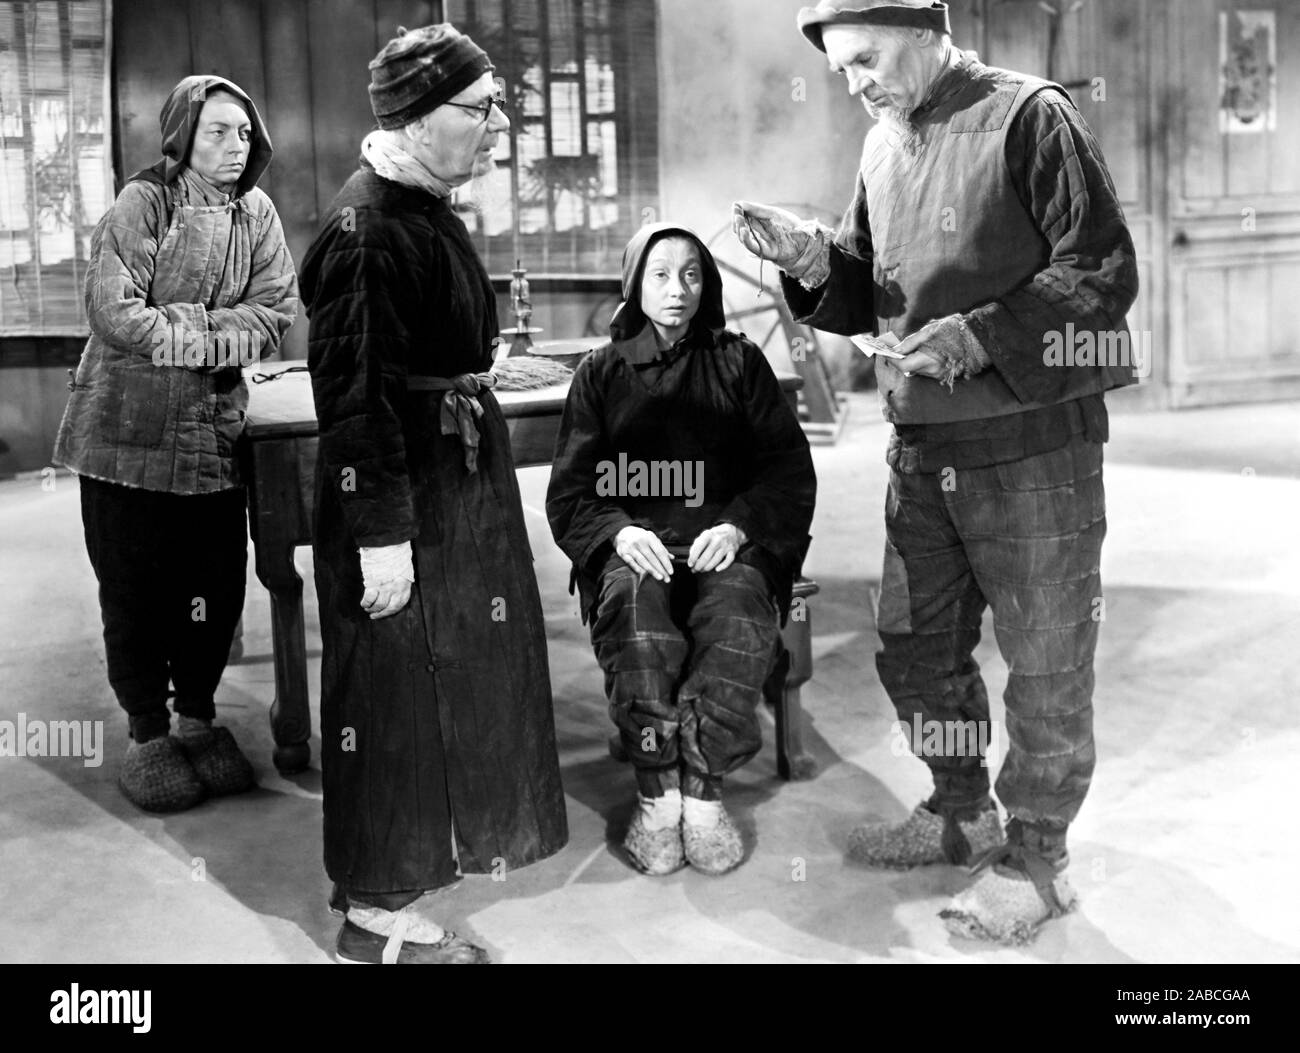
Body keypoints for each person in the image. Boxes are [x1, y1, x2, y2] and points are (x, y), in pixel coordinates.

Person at [735, 0, 1139, 944]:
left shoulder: (1031, 115)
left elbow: (1101, 269)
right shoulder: (884, 145)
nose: (856, 84)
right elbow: (867, 278)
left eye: (866, 59)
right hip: (923, 449)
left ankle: (1039, 855)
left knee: (1044, 662)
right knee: (915, 647)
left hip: (1035, 443)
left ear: (925, 32)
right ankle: (961, 807)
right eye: (841, 72)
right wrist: (808, 257)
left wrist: (975, 335)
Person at [300, 24, 568, 965]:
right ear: (414, 117)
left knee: (444, 681)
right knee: (390, 695)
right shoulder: (364, 228)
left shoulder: (422, 206)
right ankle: (373, 919)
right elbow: (353, 394)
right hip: (400, 490)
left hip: (449, 480)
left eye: (497, 104)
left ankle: (407, 873)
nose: (497, 125)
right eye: (479, 107)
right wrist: (380, 537)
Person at [53, 75, 299, 813]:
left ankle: (197, 716)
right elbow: (114, 310)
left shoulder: (258, 215)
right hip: (124, 434)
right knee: (134, 589)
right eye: (217, 130)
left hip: (212, 435)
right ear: (183, 133)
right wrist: (208, 334)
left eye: (244, 132)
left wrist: (186, 327)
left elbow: (273, 312)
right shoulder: (143, 204)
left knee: (213, 589)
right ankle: (146, 729)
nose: (233, 146)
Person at [547, 223, 817, 877]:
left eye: (691, 274)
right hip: (640, 547)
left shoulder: (738, 361)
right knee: (637, 628)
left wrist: (738, 526)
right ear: (635, 282)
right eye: (661, 274)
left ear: (708, 283)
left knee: (740, 624)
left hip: (721, 544)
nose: (677, 289)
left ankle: (701, 794)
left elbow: (786, 468)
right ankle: (654, 794)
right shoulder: (601, 372)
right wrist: (616, 530)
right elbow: (572, 489)